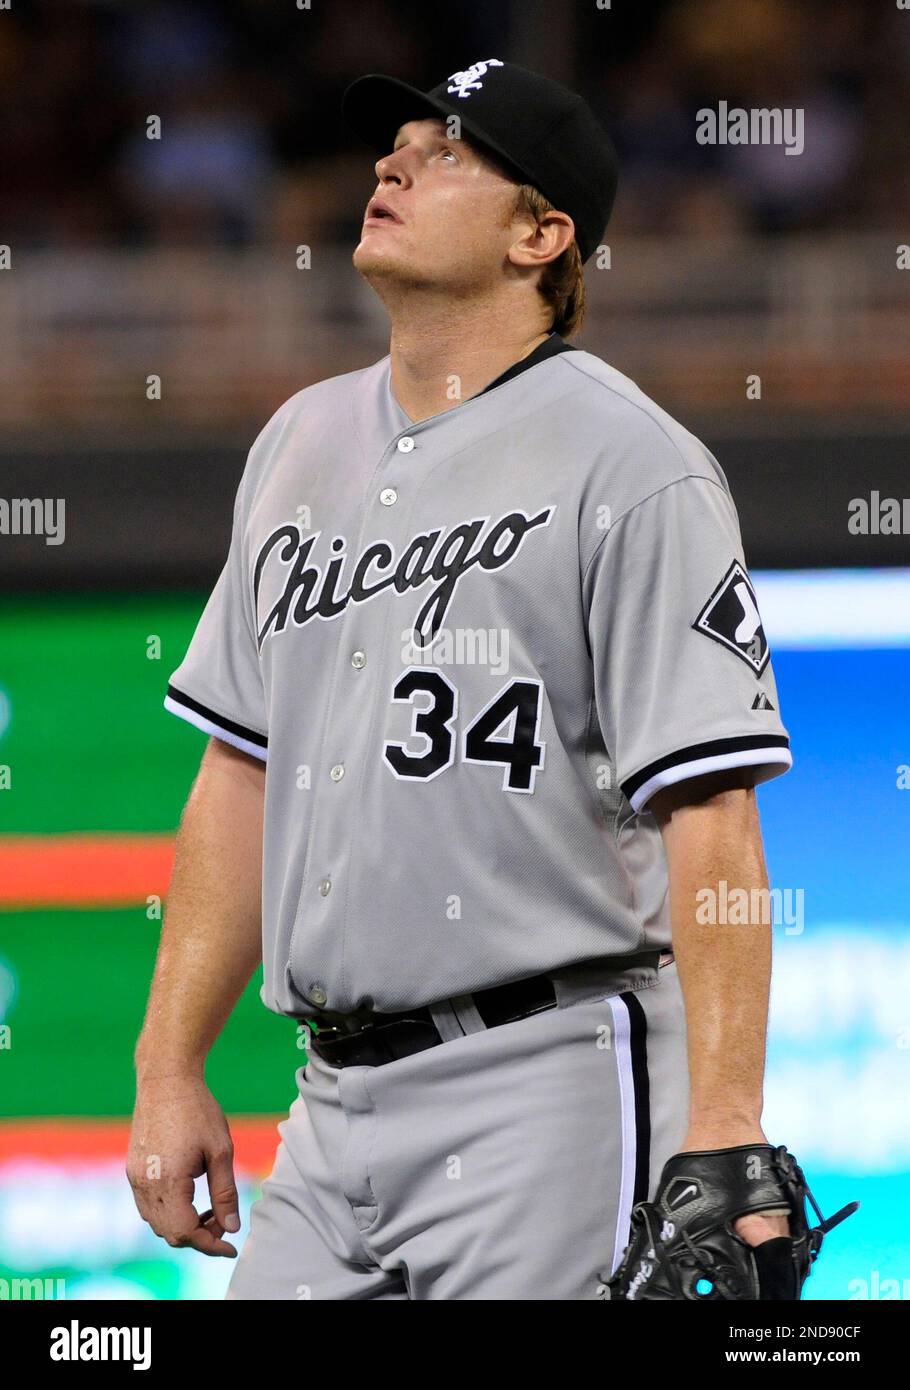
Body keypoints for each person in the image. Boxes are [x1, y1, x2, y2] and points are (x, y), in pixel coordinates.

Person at [128, 60, 797, 1300]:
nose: (392, 163)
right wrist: (167, 1067)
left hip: (545, 1081)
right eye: (395, 145)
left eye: (446, 152)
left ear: (540, 234)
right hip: (327, 1100)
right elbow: (237, 775)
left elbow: (712, 817)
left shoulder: (635, 462)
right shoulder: (299, 439)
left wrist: (725, 1113)